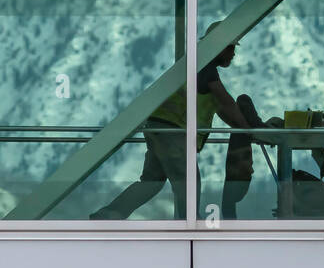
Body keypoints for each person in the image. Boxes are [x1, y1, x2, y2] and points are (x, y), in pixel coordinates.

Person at [90, 29, 266, 220]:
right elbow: (227, 102)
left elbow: (223, 110)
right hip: (172, 131)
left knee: (151, 182)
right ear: (220, 47)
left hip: (159, 128)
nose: (233, 53)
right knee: (189, 179)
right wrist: (249, 130)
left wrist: (244, 127)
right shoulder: (205, 67)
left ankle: (109, 214)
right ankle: (189, 222)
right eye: (231, 48)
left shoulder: (198, 68)